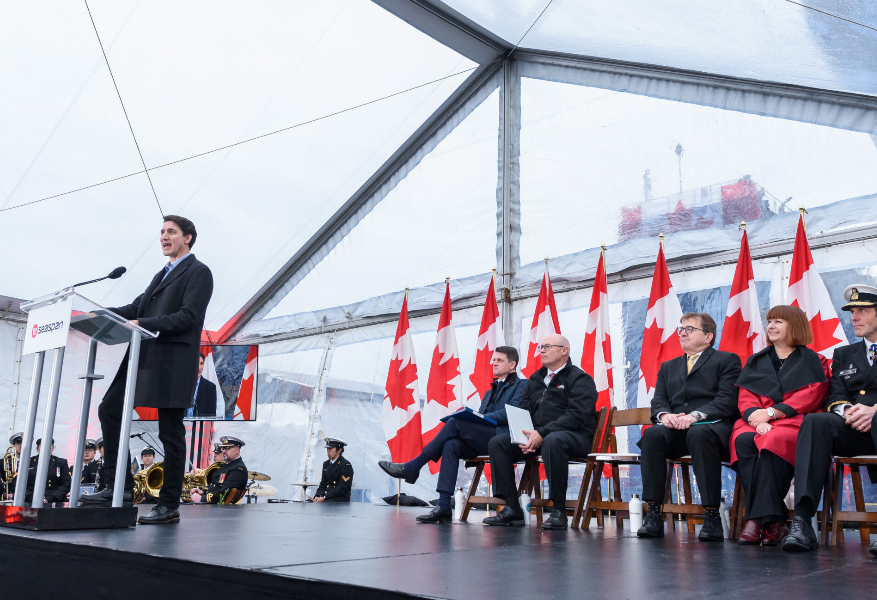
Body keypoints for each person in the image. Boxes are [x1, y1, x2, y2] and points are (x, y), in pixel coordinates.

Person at [80, 215, 213, 527]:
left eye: (171, 232)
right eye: (162, 232)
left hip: (173, 362)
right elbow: (136, 308)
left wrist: (142, 323)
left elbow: (188, 317)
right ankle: (120, 487)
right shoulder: (160, 275)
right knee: (109, 409)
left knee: (170, 431)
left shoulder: (199, 272)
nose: (164, 236)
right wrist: (98, 314)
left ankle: (169, 504)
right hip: (145, 357)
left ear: (188, 238)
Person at [378, 346, 528, 523]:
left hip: (503, 439)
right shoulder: (489, 392)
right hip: (485, 439)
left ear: (512, 365)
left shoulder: (523, 385)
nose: (494, 363)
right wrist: (475, 417)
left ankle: (414, 466)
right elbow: (481, 419)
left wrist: (479, 418)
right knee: (451, 444)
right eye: (493, 360)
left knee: (455, 422)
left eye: (499, 360)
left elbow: (510, 414)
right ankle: (443, 505)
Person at [783, 284, 877, 557]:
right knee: (816, 423)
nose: (854, 317)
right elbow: (835, 395)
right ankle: (802, 521)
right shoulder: (844, 354)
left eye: (862, 311)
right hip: (855, 428)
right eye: (852, 312)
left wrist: (874, 411)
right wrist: (848, 411)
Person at [636, 313, 742, 542]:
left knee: (699, 432)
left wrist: (695, 416)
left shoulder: (726, 360)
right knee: (653, 434)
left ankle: (711, 515)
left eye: (689, 329)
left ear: (708, 336)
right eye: (681, 329)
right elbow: (659, 400)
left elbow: (727, 400)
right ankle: (653, 513)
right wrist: (665, 416)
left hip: (712, 428)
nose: (682, 333)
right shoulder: (668, 366)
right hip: (677, 429)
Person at [731, 305, 829, 545]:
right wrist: (757, 418)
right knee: (743, 440)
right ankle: (774, 522)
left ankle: (756, 521)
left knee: (772, 440)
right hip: (754, 421)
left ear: (794, 326)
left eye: (778, 321)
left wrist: (772, 413)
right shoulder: (756, 360)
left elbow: (813, 394)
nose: (771, 326)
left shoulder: (815, 360)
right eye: (770, 321)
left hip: (793, 420)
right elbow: (746, 396)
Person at [483, 334, 598, 530]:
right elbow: (523, 410)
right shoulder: (535, 379)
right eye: (540, 347)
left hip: (574, 436)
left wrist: (542, 433)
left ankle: (559, 511)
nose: (542, 350)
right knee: (498, 443)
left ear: (564, 350)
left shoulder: (580, 378)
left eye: (547, 346)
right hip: (539, 436)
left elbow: (576, 415)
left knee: (553, 440)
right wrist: (524, 436)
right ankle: (512, 507)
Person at [190, 437, 248, 504]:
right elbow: (215, 485)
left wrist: (201, 499)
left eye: (227, 448)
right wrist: (202, 491)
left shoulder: (238, 469)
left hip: (220, 508)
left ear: (237, 450)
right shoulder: (228, 465)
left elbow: (224, 493)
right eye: (223, 448)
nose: (224, 451)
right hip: (215, 506)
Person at [24, 438, 71, 505]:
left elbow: (66, 483)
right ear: (37, 449)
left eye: (48, 447)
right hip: (30, 499)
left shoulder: (61, 462)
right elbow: (17, 483)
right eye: (42, 447)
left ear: (53, 448)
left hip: (54, 499)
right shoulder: (27, 462)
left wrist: (51, 498)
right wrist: (30, 497)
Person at [314, 438, 353, 503]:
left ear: (339, 450)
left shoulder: (345, 465)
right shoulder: (326, 464)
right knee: (308, 503)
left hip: (339, 499)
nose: (328, 451)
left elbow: (342, 488)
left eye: (331, 448)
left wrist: (325, 497)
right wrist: (317, 495)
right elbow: (323, 484)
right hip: (326, 497)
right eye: (327, 448)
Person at [188, 352, 219, 418]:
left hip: (200, 423)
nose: (199, 367)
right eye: (196, 363)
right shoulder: (182, 385)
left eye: (201, 363)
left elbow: (211, 414)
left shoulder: (210, 387)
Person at [1, 432, 23, 498]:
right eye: (18, 443)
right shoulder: (3, 462)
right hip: (8, 497)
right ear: (14, 446)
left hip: (26, 498)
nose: (21, 446)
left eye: (23, 443)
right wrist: (4, 494)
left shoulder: (33, 462)